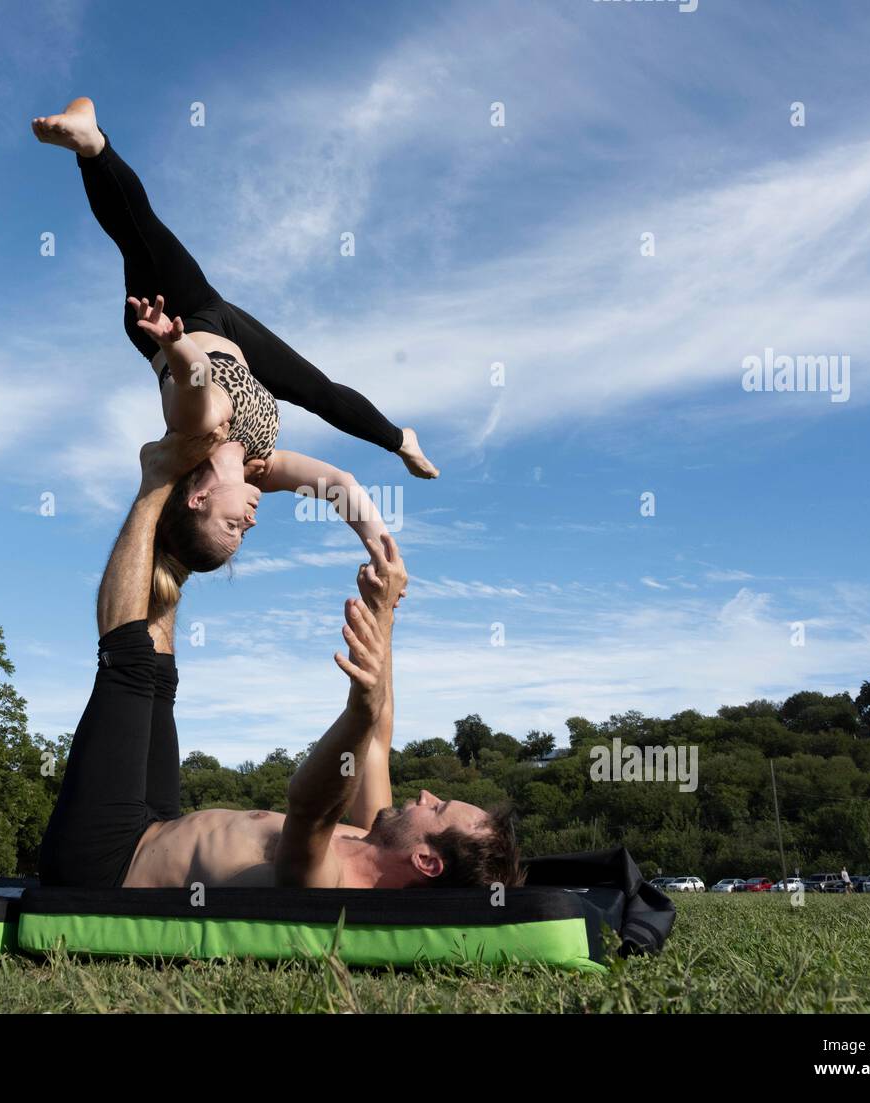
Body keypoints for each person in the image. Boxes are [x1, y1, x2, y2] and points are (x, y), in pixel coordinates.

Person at [38, 433, 519, 890]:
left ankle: (156, 481)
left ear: (426, 861)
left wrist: (362, 705)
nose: (427, 796)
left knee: (132, 665)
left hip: (106, 860)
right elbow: (374, 745)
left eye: (437, 810)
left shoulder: (326, 880)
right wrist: (383, 611)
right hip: (156, 823)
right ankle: (184, 522)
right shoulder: (370, 835)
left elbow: (309, 806)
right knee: (160, 680)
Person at [31, 98, 439, 584]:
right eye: (244, 533)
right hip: (235, 336)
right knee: (321, 393)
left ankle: (91, 143)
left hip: (176, 318)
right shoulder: (259, 470)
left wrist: (173, 342)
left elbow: (196, 380)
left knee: (140, 235)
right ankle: (400, 439)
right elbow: (340, 486)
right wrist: (382, 554)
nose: (251, 522)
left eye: (232, 525)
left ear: (197, 498)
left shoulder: (195, 435)